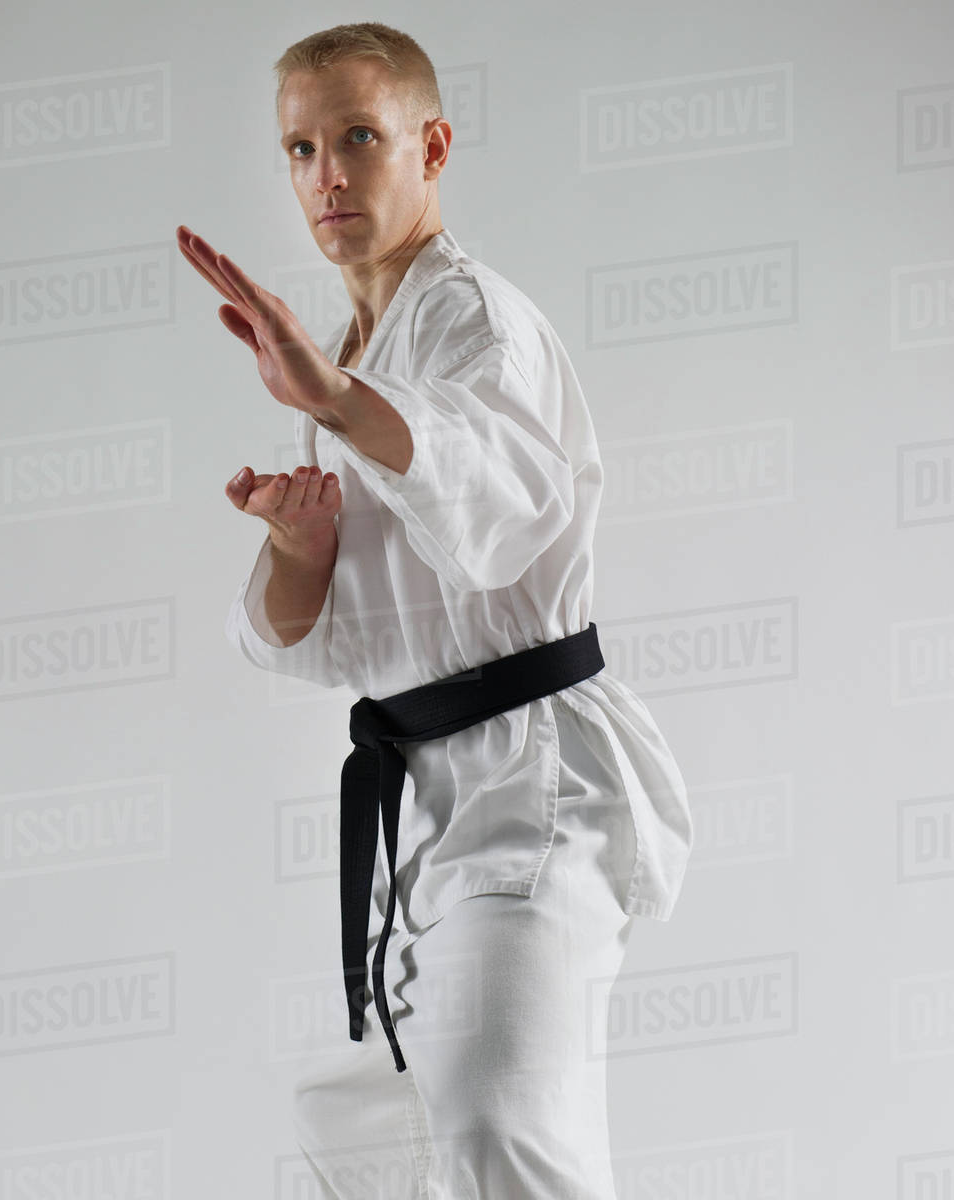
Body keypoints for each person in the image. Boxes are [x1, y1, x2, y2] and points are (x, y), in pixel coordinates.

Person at [180, 21, 694, 1199]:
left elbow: (497, 494)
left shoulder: (472, 321)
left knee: (504, 1133)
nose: (330, 175)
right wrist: (301, 543)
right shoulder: (356, 351)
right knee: (376, 1126)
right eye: (302, 149)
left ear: (432, 144)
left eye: (360, 136)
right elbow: (332, 628)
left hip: (536, 785)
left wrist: (340, 398)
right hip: (435, 801)